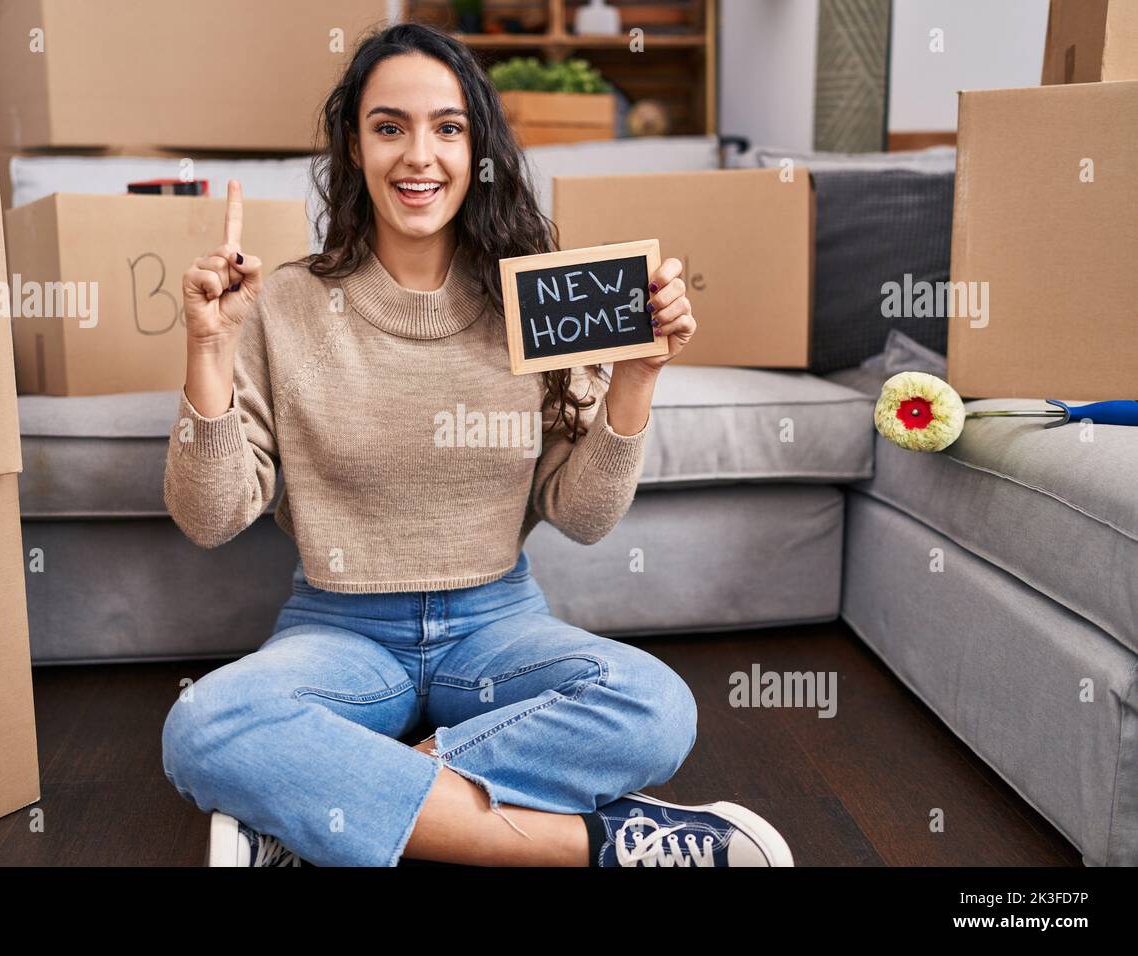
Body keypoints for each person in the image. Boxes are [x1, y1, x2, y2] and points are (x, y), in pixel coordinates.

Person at [160, 22, 793, 868]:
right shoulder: (280, 303)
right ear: (354, 147)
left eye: (448, 128)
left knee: (656, 705)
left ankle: (320, 810)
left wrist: (638, 377)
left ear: (478, 148)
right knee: (202, 725)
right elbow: (209, 518)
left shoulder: (536, 296)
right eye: (389, 127)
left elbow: (584, 518)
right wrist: (207, 346)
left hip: (497, 630)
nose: (419, 156)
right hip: (340, 633)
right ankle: (596, 847)